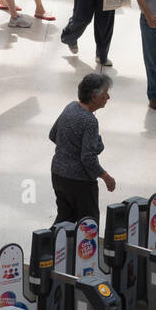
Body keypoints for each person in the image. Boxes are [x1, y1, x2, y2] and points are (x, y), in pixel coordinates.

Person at [48, 72, 116, 225]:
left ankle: (48, 246)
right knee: (88, 225)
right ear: (94, 96)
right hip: (80, 182)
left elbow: (53, 135)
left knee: (65, 220)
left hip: (58, 174)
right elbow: (88, 157)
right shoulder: (90, 120)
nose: (108, 97)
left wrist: (69, 148)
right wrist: (106, 177)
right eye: (105, 93)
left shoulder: (70, 107)